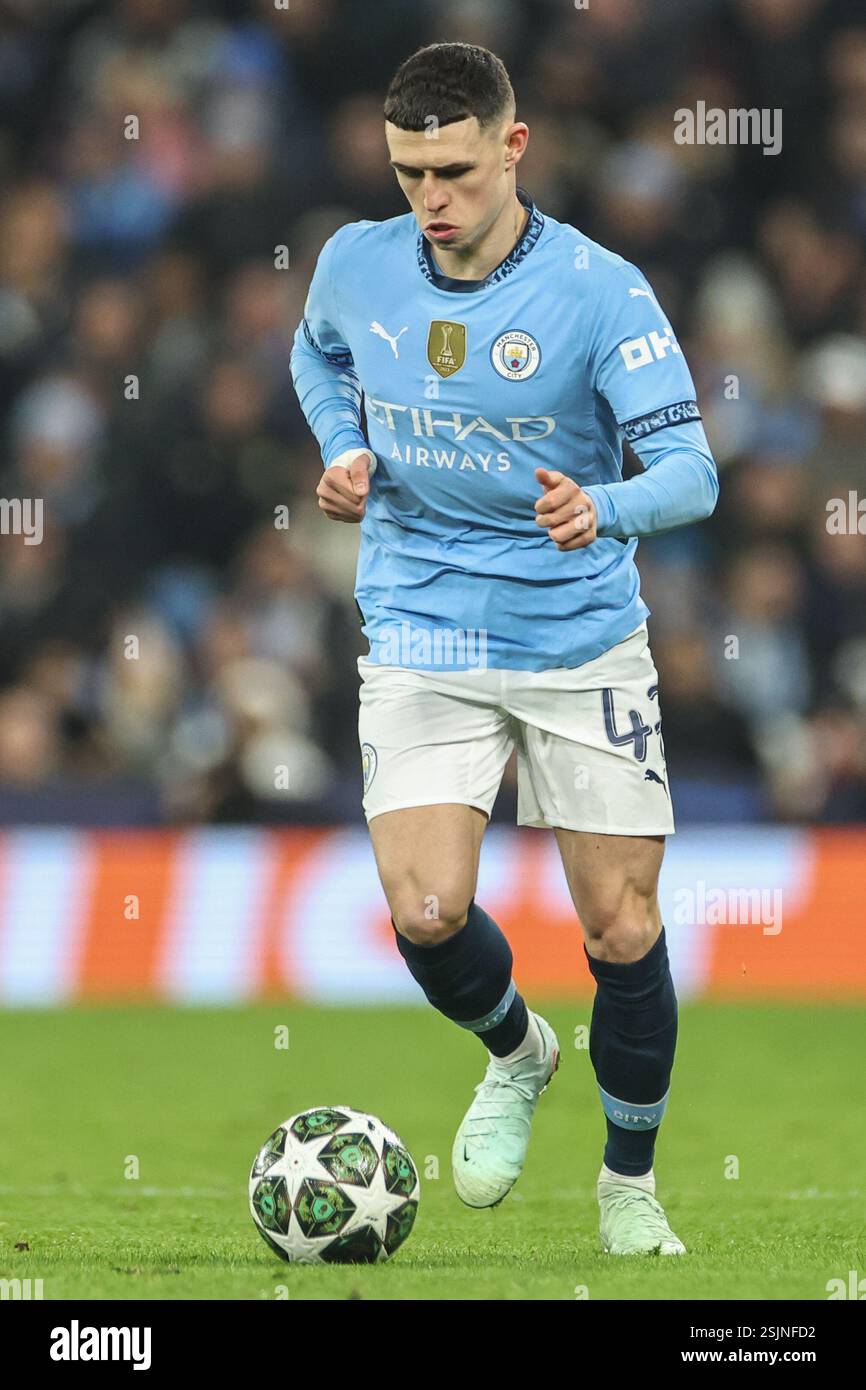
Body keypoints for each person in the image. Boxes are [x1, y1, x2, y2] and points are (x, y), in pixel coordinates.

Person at [291, 42, 718, 1255]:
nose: (430, 199)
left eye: (455, 171)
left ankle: (626, 1186)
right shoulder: (354, 261)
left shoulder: (598, 290)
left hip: (575, 635)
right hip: (421, 622)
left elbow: (689, 472)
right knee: (426, 910)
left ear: (512, 148)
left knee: (619, 928)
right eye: (409, 171)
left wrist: (604, 505)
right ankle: (518, 1052)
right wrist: (341, 446)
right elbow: (313, 354)